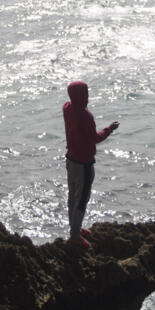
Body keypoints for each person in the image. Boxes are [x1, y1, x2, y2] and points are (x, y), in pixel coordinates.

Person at [63, 81, 119, 248]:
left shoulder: (67, 108)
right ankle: (75, 236)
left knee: (72, 195)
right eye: (85, 94)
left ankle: (75, 228)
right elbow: (95, 138)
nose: (87, 97)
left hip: (71, 159)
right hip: (84, 164)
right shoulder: (85, 115)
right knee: (82, 198)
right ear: (80, 96)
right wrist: (110, 129)